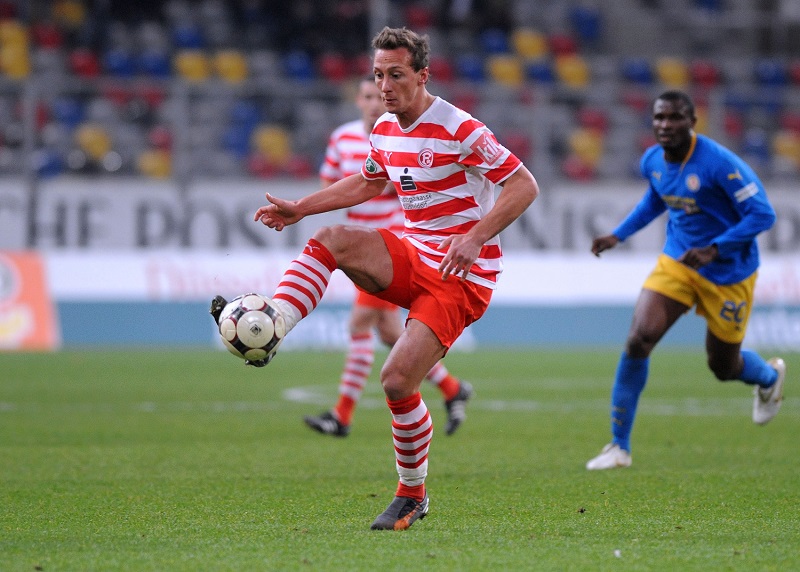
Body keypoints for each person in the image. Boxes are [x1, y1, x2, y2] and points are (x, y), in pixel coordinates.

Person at [249, 26, 539, 529]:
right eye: (378, 75)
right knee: (335, 239)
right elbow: (368, 180)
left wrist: (474, 238)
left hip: (462, 274)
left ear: (422, 76)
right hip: (414, 253)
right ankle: (274, 322)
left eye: (396, 75)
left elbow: (523, 184)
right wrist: (301, 208)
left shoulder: (459, 128)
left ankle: (412, 494)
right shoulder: (384, 129)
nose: (385, 85)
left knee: (398, 380)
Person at [585, 90, 785, 471]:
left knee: (723, 367)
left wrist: (716, 248)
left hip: (729, 273)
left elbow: (763, 215)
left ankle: (768, 376)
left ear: (693, 122)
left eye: (675, 118)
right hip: (678, 262)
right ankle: (619, 446)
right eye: (659, 118)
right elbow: (656, 199)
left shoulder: (720, 164)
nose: (665, 125)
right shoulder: (653, 161)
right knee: (638, 339)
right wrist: (619, 234)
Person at [303, 76, 474, 439]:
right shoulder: (343, 139)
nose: (374, 101)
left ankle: (342, 416)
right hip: (362, 247)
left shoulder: (401, 136)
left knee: (359, 325)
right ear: (358, 100)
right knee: (391, 334)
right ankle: (452, 388)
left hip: (395, 247)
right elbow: (331, 185)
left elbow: (416, 195)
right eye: (367, 95)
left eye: (377, 96)